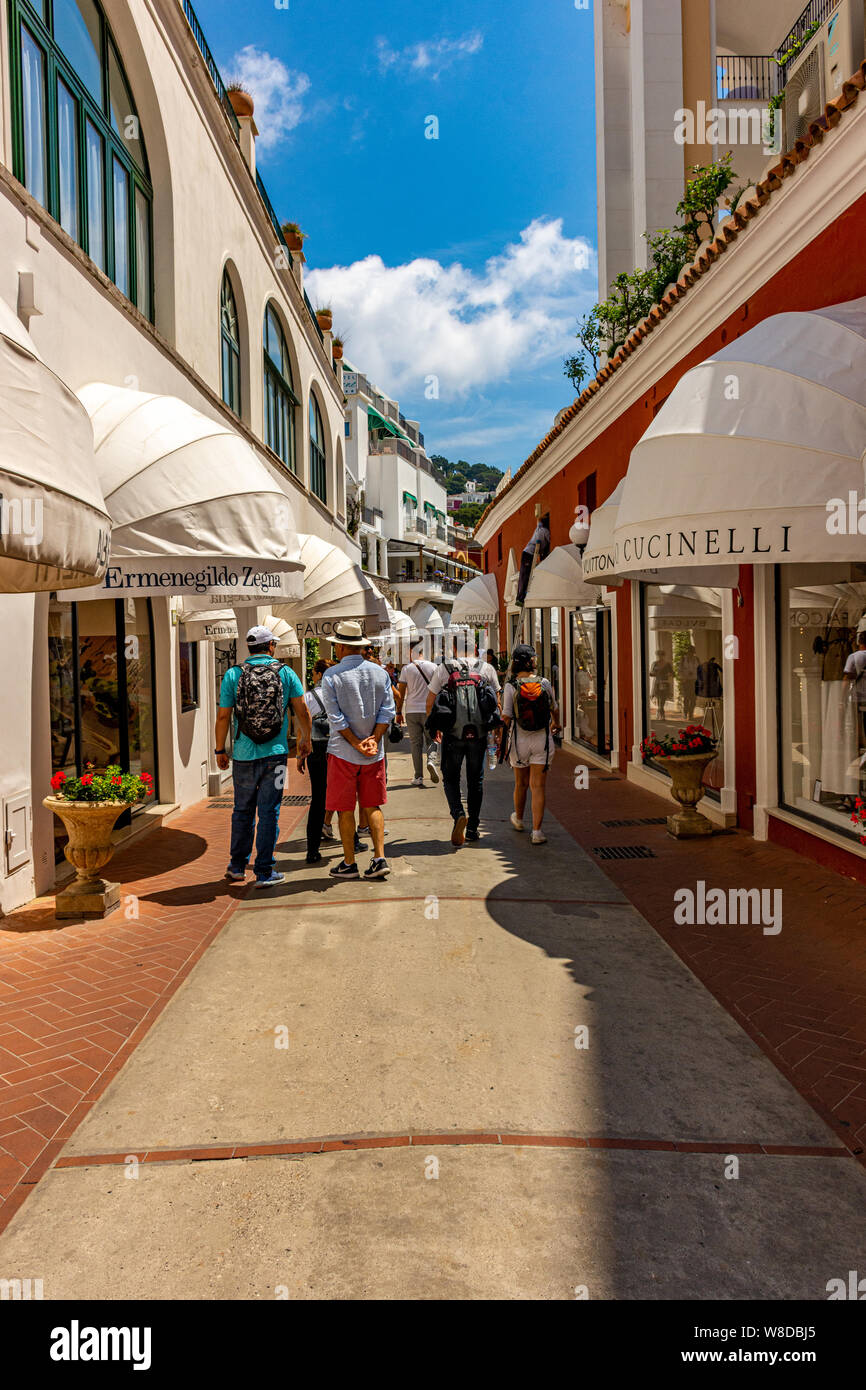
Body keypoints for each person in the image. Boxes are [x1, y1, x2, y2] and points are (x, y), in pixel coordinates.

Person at [215, 625, 312, 888]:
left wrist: (220, 750)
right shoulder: (286, 673)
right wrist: (305, 738)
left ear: (249, 648)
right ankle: (265, 871)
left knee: (242, 811)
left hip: (244, 756)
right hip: (277, 756)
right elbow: (301, 710)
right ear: (270, 646)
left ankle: (236, 867)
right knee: (270, 812)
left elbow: (224, 715)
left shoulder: (233, 674)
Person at [320, 620, 395, 880]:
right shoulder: (379, 673)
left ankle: (349, 862)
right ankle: (379, 857)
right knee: (373, 805)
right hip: (374, 754)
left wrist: (355, 743)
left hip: (343, 753)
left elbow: (335, 718)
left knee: (344, 809)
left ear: (340, 647)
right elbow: (388, 711)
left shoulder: (331, 676)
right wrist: (373, 739)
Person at [425, 648, 501, 845]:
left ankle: (458, 813)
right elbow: (496, 703)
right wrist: (496, 732)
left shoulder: (444, 668)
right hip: (479, 735)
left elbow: (430, 702)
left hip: (452, 734)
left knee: (450, 778)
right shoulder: (487, 668)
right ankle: (473, 829)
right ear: (476, 650)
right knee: (476, 781)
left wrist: (435, 730)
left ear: (455, 649)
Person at [502, 643, 560, 845]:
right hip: (542, 739)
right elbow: (555, 708)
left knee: (521, 783)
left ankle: (518, 819)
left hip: (519, 740)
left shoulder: (510, 686)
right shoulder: (544, 683)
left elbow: (506, 716)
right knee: (538, 786)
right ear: (532, 662)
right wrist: (557, 723)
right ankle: (537, 832)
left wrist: (497, 735)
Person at [297, 658, 332, 865]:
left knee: (318, 798)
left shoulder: (308, 696)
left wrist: (301, 754)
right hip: (337, 748)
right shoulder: (338, 693)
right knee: (341, 795)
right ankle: (352, 842)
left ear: (319, 674)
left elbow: (303, 727)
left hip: (316, 748)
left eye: (313, 673)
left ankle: (312, 850)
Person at [396, 638, 438, 787]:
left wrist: (398, 711)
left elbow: (401, 692)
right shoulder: (433, 667)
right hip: (429, 710)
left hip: (412, 710)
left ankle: (418, 776)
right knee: (432, 739)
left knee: (415, 744)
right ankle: (432, 761)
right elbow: (438, 690)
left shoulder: (407, 669)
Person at [650, 649, 675, 722]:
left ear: (664, 656)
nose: (660, 657)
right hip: (657, 683)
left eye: (661, 655)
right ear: (657, 656)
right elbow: (651, 673)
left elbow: (673, 673)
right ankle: (660, 712)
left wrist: (670, 674)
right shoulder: (654, 664)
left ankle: (661, 712)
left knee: (663, 699)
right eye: (658, 655)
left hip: (665, 683)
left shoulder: (667, 664)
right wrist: (655, 673)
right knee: (658, 698)